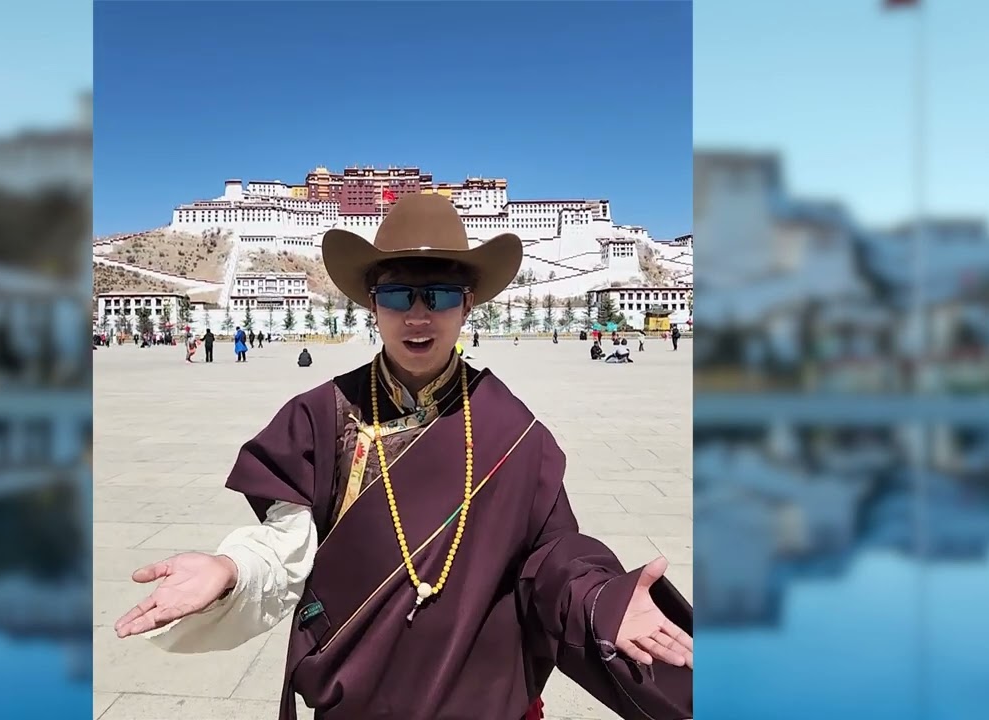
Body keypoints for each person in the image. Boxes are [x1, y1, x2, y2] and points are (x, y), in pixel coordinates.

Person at [114, 194, 692, 720]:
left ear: (467, 308)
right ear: (372, 305)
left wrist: (602, 601)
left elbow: (552, 559)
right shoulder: (321, 417)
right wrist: (232, 569)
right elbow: (283, 549)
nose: (418, 315)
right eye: (397, 294)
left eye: (439, 296)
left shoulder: (513, 433)